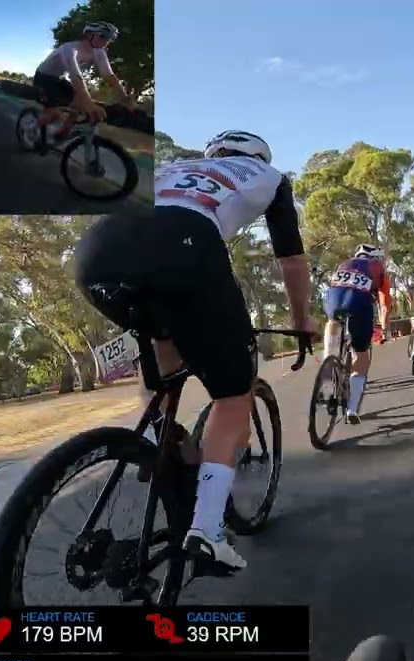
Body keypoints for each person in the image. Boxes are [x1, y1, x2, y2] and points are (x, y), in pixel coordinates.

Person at [75, 129, 316, 572]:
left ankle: (165, 446)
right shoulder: (270, 177)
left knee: (163, 343)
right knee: (233, 396)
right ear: (260, 156)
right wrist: (302, 320)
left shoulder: (173, 166)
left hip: (98, 249)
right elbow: (292, 261)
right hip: (184, 246)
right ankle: (207, 531)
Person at [32, 22, 136, 150]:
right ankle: (32, 128)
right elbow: (76, 77)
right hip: (44, 78)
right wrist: (90, 104)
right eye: (103, 36)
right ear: (88, 35)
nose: (107, 41)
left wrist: (125, 99)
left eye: (110, 38)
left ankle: (61, 133)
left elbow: (109, 76)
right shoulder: (69, 49)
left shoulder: (99, 52)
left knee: (78, 107)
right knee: (56, 115)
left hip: (60, 79)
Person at [323, 243, 394, 424]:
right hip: (360, 305)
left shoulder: (344, 264)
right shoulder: (379, 270)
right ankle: (352, 409)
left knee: (332, 321)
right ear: (377, 258)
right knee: (362, 355)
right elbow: (385, 306)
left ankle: (328, 365)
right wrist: (384, 330)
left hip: (334, 301)